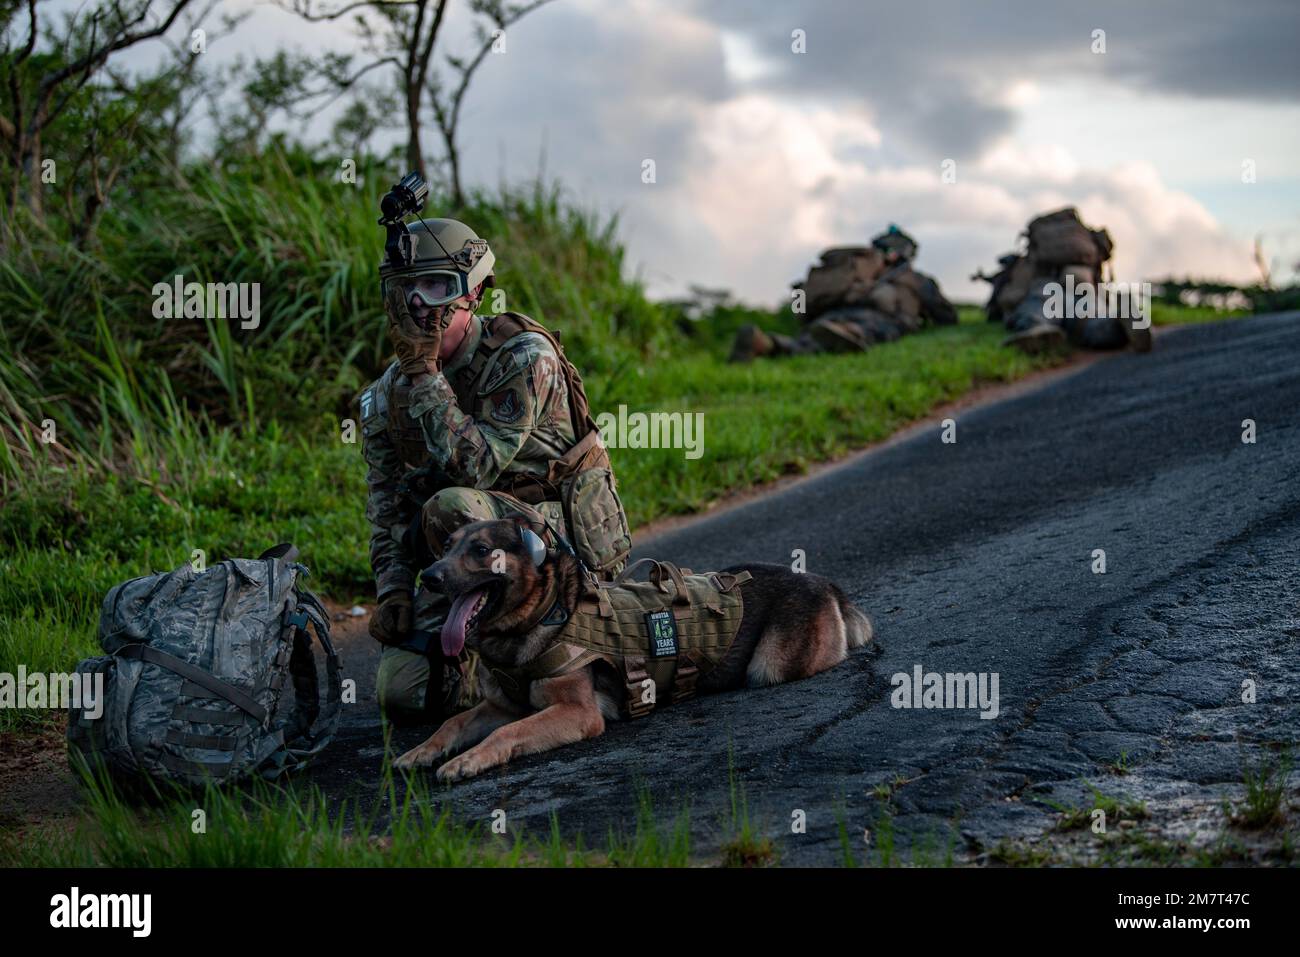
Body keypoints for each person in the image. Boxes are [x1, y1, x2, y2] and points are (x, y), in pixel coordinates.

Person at [360, 200, 630, 723]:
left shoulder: (524, 357)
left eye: (437, 287)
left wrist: (425, 377)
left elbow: (474, 469)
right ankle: (488, 666)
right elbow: (387, 506)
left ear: (475, 291)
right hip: (465, 555)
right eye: (404, 289)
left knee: (448, 504)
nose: (419, 305)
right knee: (405, 696)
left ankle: (523, 656)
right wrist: (394, 590)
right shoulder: (384, 396)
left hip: (555, 550)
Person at [729, 225, 958, 362]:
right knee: (849, 337)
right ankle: (846, 334)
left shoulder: (854, 270)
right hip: (878, 319)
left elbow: (800, 300)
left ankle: (767, 343)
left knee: (807, 343)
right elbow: (946, 316)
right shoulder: (915, 279)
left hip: (831, 314)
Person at [976, 207, 1152, 354]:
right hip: (1084, 289)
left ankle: (1038, 329)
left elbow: (1009, 297)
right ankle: (1119, 323)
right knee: (1094, 326)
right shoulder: (1083, 256)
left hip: (1047, 291)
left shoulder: (1031, 262)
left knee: (1036, 312)